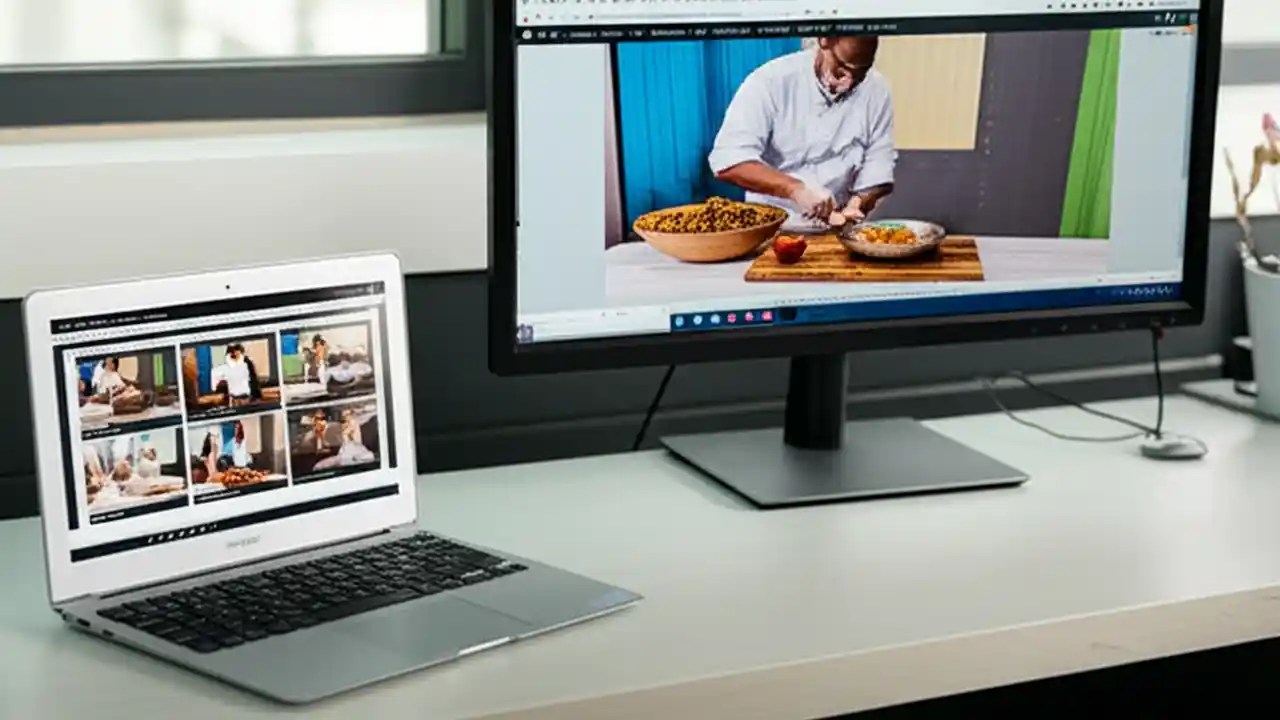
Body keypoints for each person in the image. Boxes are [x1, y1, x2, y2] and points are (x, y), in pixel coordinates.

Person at [709, 36, 896, 230]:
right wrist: (795, 189)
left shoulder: (877, 89)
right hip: (772, 230)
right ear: (824, 40)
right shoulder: (771, 81)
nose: (848, 83)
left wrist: (858, 203)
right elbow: (727, 161)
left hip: (839, 231)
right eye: (842, 69)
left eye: (860, 74)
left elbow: (879, 165)